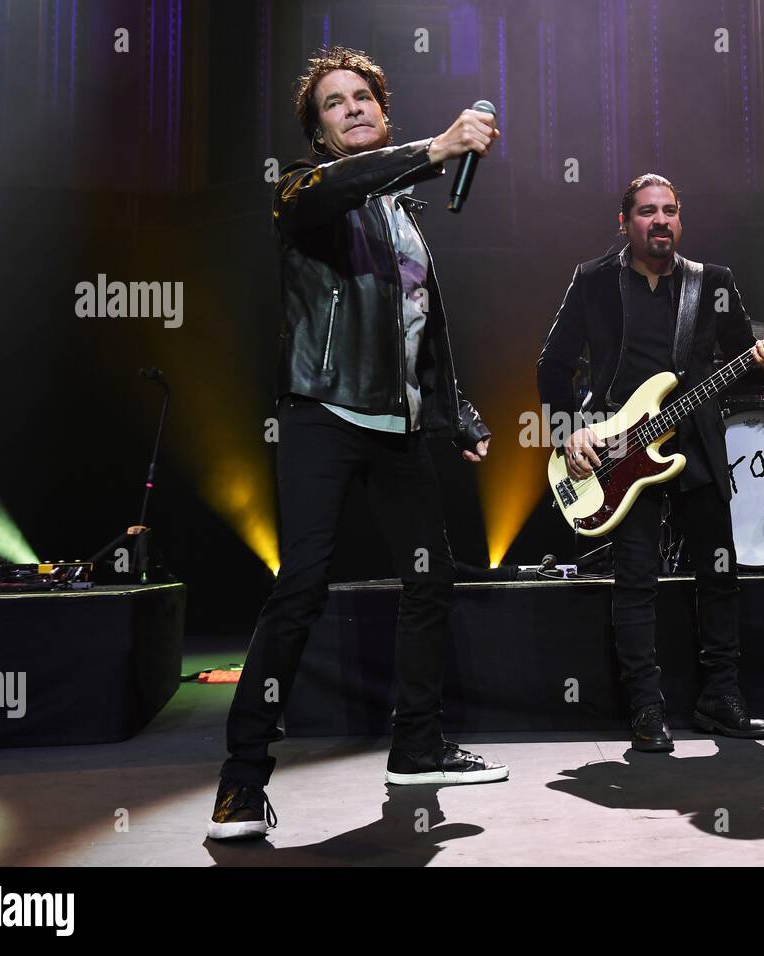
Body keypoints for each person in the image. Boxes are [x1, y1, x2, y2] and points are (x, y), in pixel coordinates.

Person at [208, 47, 506, 841]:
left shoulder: (403, 216)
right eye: (333, 103)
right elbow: (340, 186)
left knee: (431, 577)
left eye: (362, 96)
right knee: (300, 585)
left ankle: (416, 744)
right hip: (325, 411)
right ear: (318, 129)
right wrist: (435, 151)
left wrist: (461, 412)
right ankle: (241, 780)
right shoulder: (307, 191)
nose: (351, 108)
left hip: (400, 427)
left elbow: (420, 330)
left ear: (383, 106)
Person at [536, 174, 764, 753]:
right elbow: (552, 365)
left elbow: (741, 361)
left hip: (695, 444)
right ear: (624, 222)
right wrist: (567, 432)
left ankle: (721, 699)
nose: (661, 220)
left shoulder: (714, 283)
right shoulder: (594, 280)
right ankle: (646, 709)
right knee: (635, 581)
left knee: (720, 573)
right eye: (648, 211)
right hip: (616, 451)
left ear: (682, 219)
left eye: (670, 210)